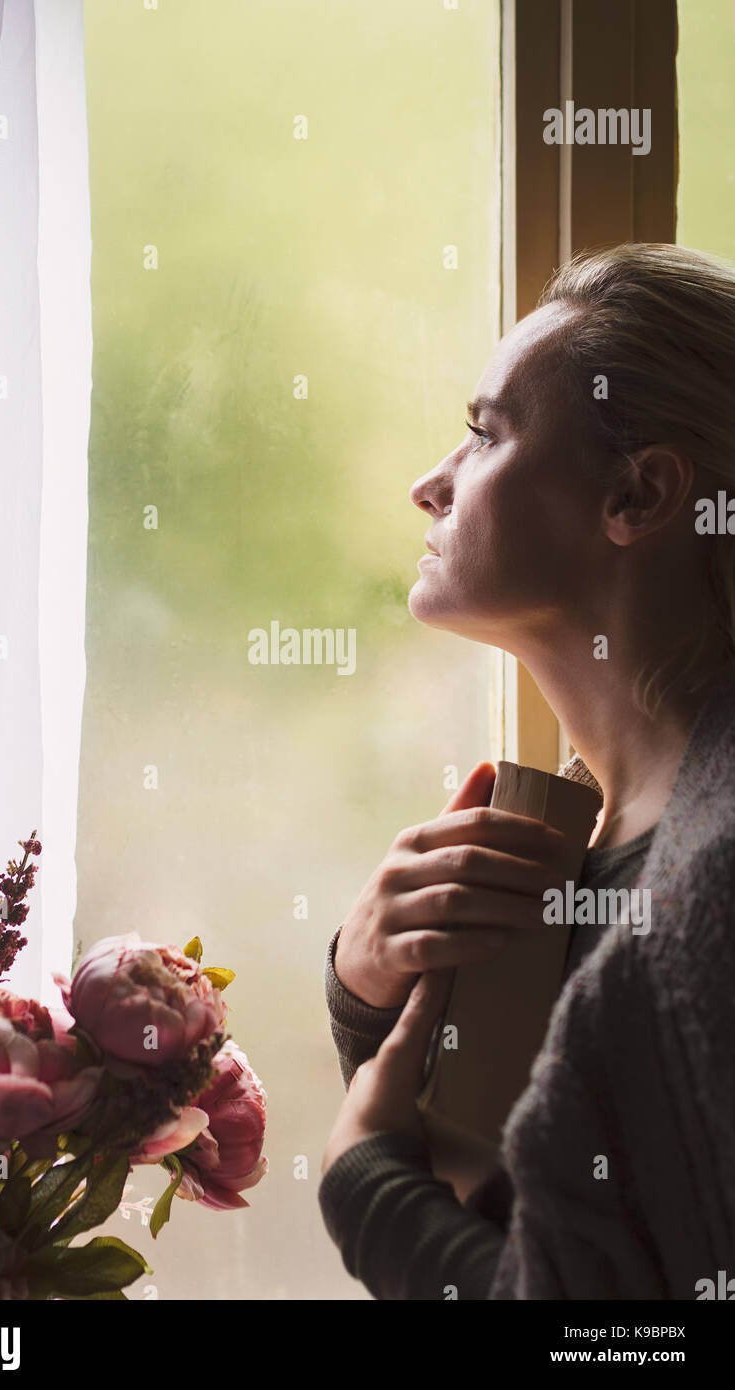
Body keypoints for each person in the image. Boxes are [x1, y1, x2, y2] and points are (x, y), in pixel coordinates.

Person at [318, 243, 735, 1300]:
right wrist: (372, 992)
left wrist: (365, 1191)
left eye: (483, 433)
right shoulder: (601, 842)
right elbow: (537, 1198)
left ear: (635, 495)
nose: (428, 484)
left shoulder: (703, 886)